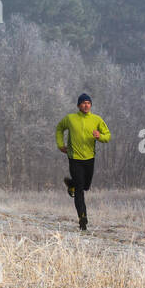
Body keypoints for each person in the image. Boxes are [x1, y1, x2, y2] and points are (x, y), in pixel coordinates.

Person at [55, 93, 110, 230]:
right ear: (79, 105)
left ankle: (71, 184)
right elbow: (59, 129)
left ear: (91, 105)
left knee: (85, 186)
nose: (86, 105)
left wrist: (100, 136)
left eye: (88, 103)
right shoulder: (70, 119)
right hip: (74, 158)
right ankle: (82, 219)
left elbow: (107, 136)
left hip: (89, 158)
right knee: (80, 190)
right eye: (83, 103)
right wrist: (60, 144)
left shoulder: (97, 119)